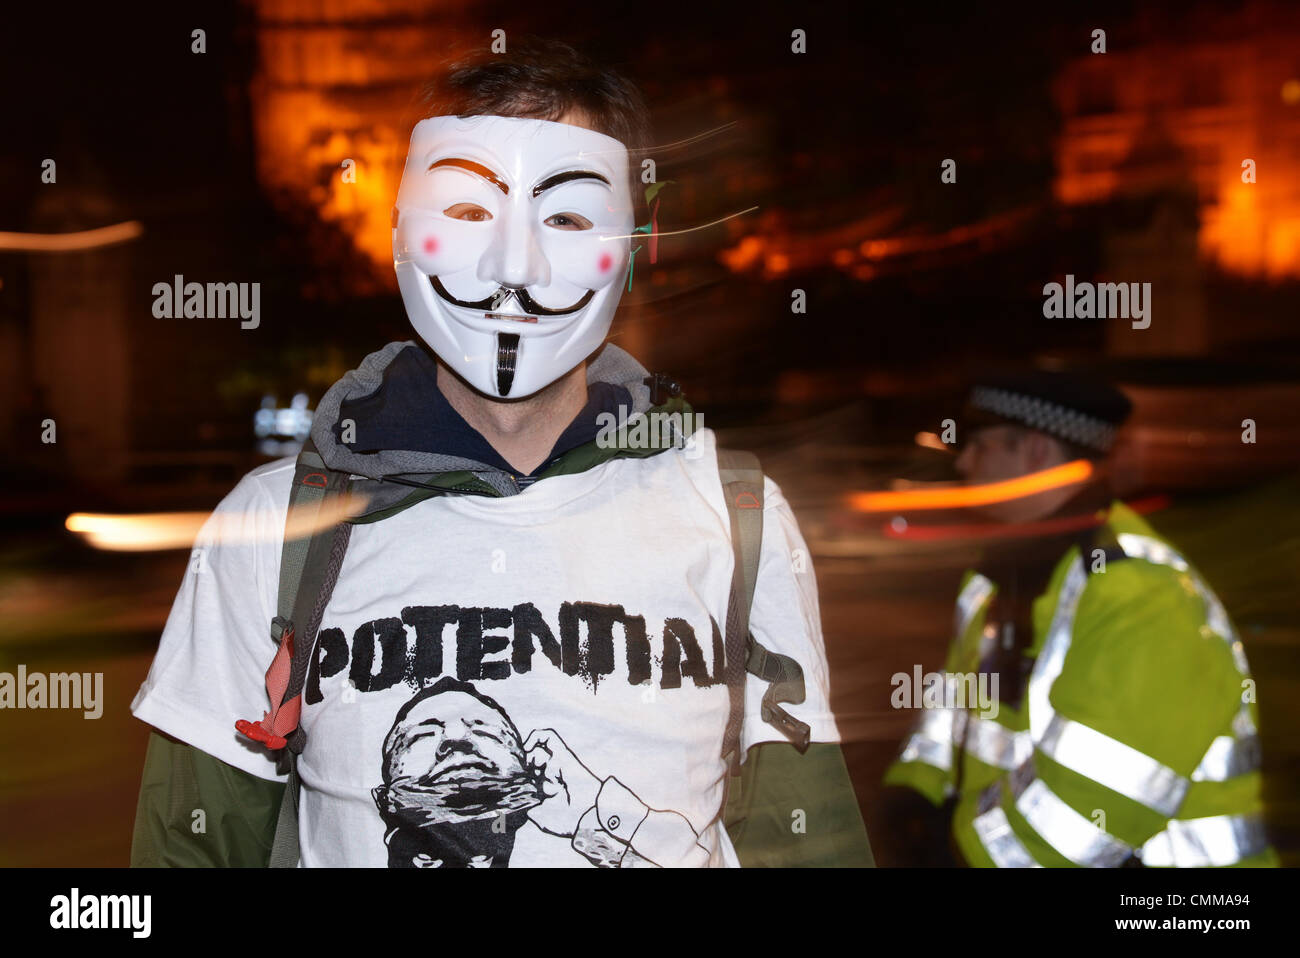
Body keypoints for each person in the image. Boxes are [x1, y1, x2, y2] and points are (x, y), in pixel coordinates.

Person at [128, 37, 873, 868]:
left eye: (565, 217)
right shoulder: (275, 528)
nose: (514, 266)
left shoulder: (737, 517)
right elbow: (189, 851)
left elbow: (807, 844)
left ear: (635, 244)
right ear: (402, 233)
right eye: (471, 210)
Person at [881, 369, 1278, 867]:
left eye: (980, 446)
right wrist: (913, 796)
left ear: (1038, 454)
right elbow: (956, 713)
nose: (963, 463)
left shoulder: (1141, 597)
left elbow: (1082, 823)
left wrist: (958, 853)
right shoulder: (999, 578)